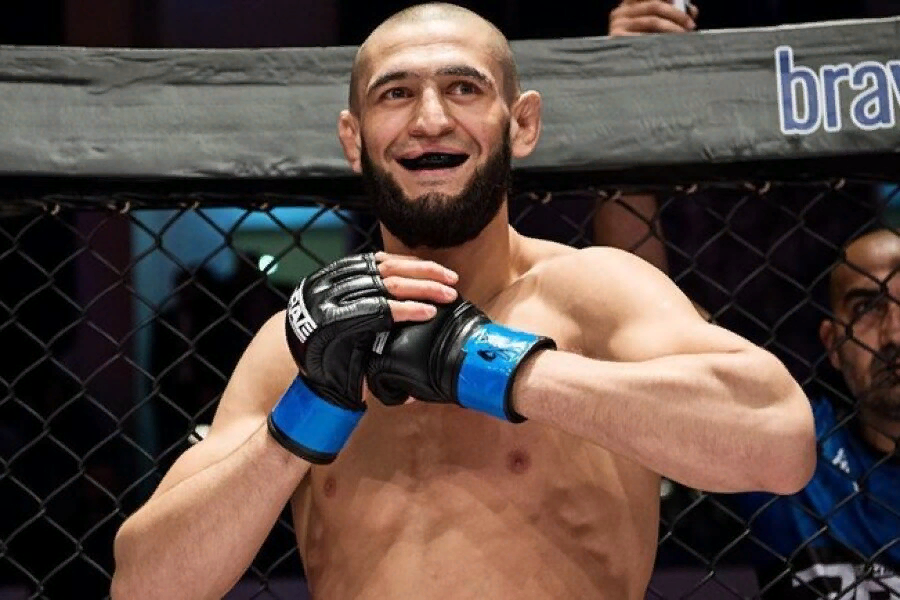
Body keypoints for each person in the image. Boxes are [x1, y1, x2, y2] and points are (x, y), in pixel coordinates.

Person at [110, 4, 816, 599]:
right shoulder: (296, 345)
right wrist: (307, 412)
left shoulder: (590, 292)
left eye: (464, 89)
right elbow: (144, 585)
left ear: (522, 124)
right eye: (395, 94)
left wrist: (486, 363)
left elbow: (780, 441)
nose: (430, 119)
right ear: (354, 140)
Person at [725, 228, 900, 598]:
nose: (894, 335)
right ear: (833, 344)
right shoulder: (794, 447)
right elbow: (657, 325)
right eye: (867, 308)